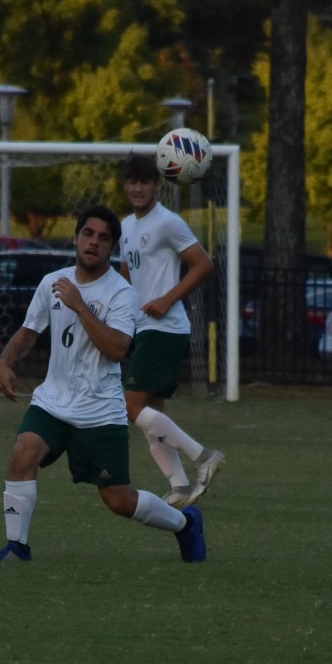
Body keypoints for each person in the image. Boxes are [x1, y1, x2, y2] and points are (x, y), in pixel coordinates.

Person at [0, 204, 207, 563]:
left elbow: (118, 349)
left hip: (100, 411)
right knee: (24, 450)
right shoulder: (51, 282)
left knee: (118, 499)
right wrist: (4, 361)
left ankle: (185, 524)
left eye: (103, 238)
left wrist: (80, 306)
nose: (93, 243)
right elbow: (28, 332)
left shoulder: (122, 294)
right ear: (75, 238)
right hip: (53, 402)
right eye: (87, 234)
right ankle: (16, 547)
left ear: (112, 247)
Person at [116, 153, 225, 504]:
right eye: (131, 182)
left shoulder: (168, 222)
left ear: (157, 184)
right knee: (153, 415)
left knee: (131, 409)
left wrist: (166, 299)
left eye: (144, 182)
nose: (137, 188)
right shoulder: (125, 226)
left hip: (164, 328)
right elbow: (126, 276)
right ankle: (179, 486)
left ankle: (204, 457)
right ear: (125, 186)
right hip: (142, 327)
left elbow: (203, 264)